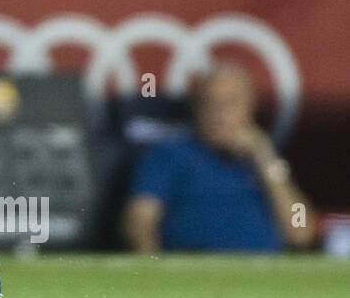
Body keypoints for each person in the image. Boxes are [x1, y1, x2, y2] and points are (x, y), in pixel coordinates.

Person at [123, 62, 315, 253]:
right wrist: (152, 268)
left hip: (261, 272)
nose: (219, 113)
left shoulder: (266, 160)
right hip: (193, 271)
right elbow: (141, 220)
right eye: (210, 102)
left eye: (231, 103)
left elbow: (301, 232)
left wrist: (266, 159)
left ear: (250, 106)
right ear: (197, 107)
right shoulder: (169, 154)